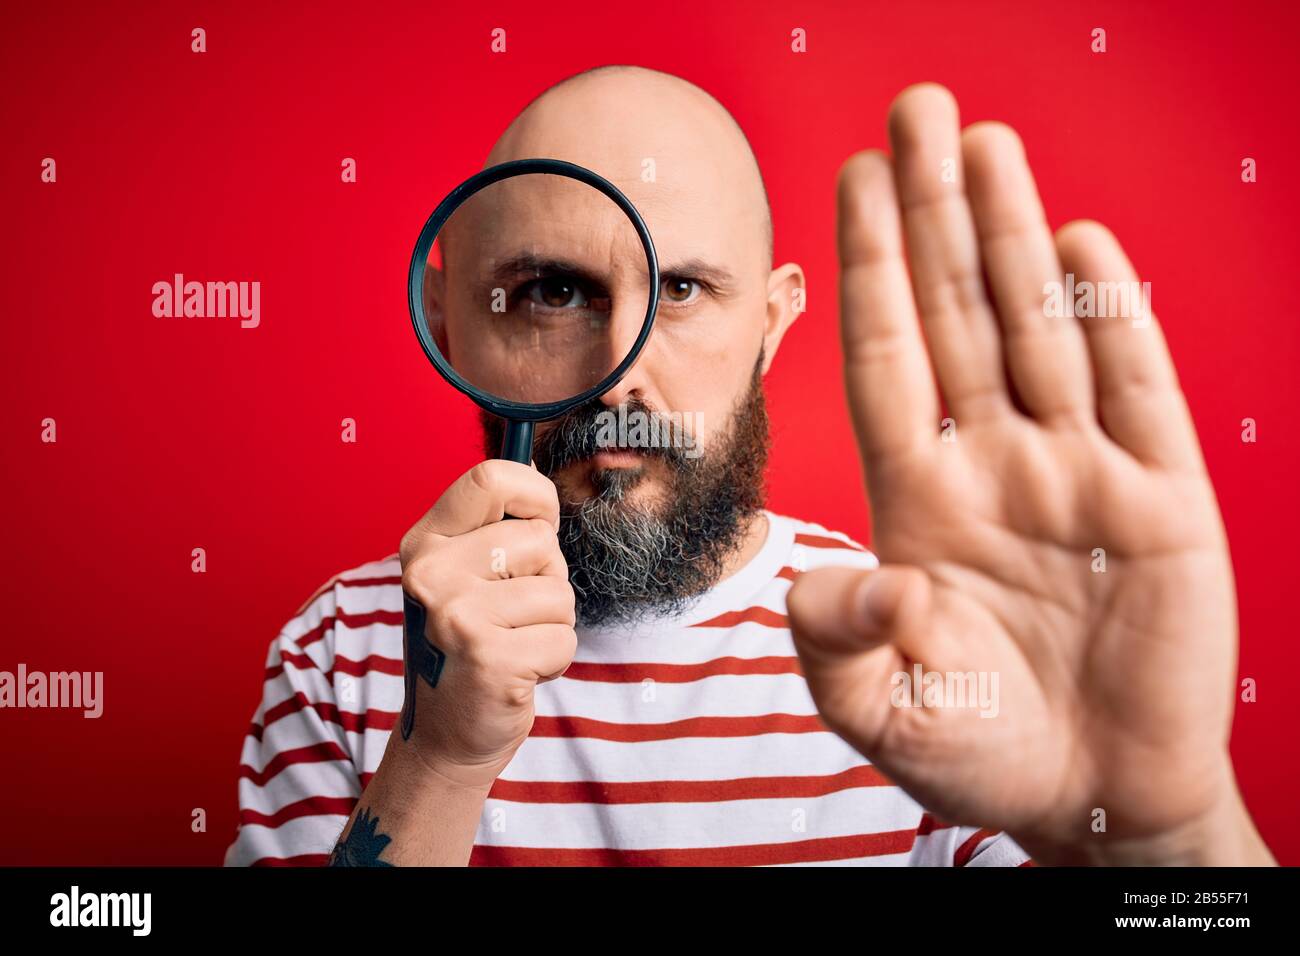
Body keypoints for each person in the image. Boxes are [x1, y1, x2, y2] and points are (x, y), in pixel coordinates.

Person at [224, 65, 1274, 866]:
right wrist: (437, 762)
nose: (617, 375)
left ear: (771, 326)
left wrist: (1166, 829)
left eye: (680, 290)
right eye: (551, 290)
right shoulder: (343, 651)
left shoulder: (917, 646)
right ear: (452, 325)